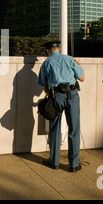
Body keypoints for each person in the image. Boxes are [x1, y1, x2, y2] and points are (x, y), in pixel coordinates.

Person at [37, 41, 85, 172]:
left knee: (54, 129)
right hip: (72, 94)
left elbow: (44, 86)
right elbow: (82, 78)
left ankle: (54, 162)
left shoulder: (46, 63)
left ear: (48, 50)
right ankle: (74, 164)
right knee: (74, 129)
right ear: (59, 48)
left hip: (56, 96)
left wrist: (53, 95)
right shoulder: (70, 59)